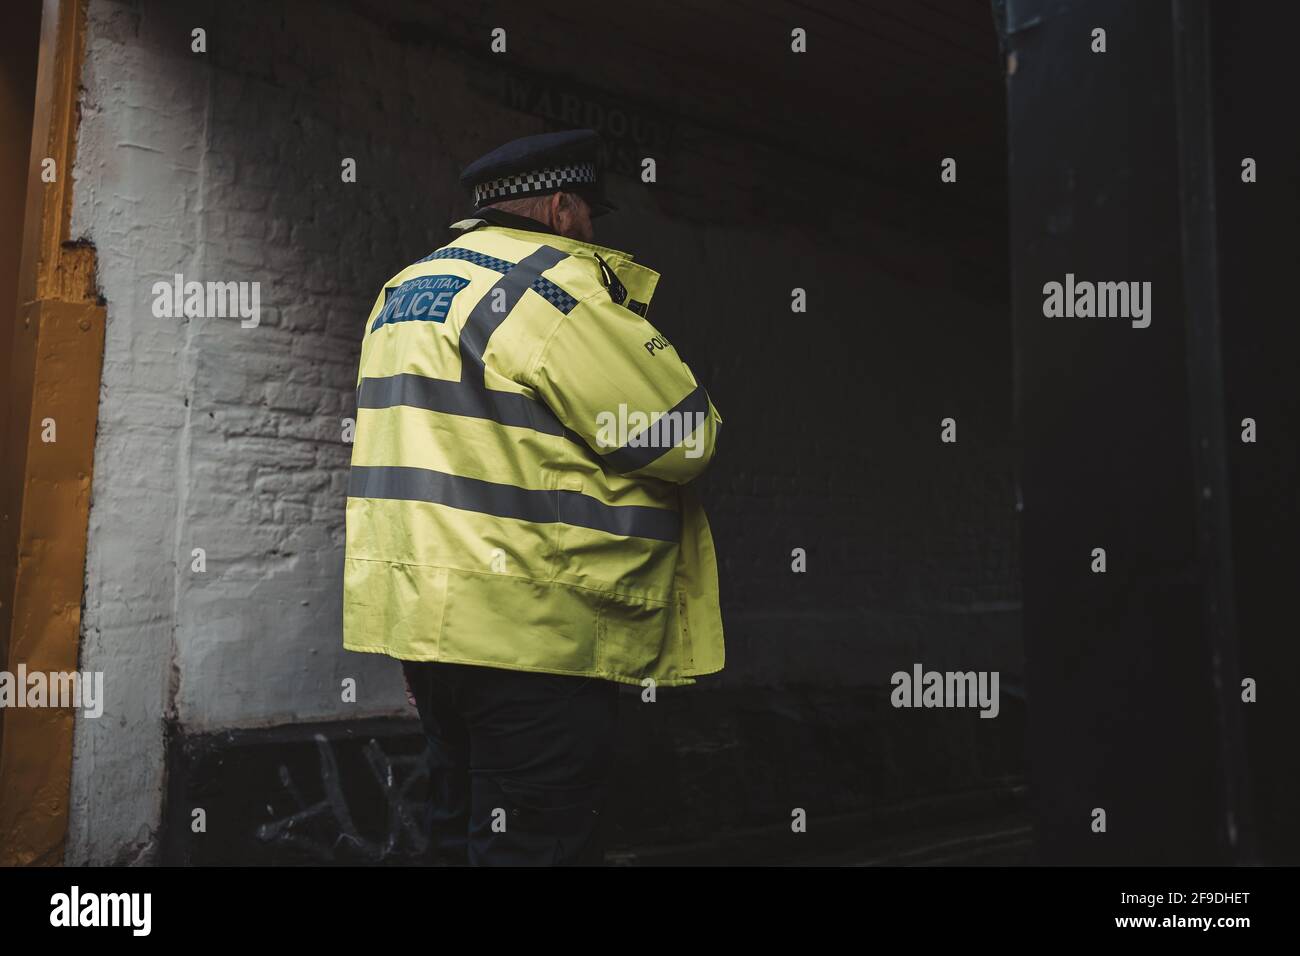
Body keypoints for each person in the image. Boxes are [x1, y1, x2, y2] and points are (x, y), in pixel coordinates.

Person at [343, 128, 724, 865]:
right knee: (538, 844)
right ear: (560, 208)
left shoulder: (403, 293)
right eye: (589, 217)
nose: (589, 234)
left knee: (455, 835)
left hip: (428, 625)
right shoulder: (548, 292)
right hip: (535, 630)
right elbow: (685, 438)